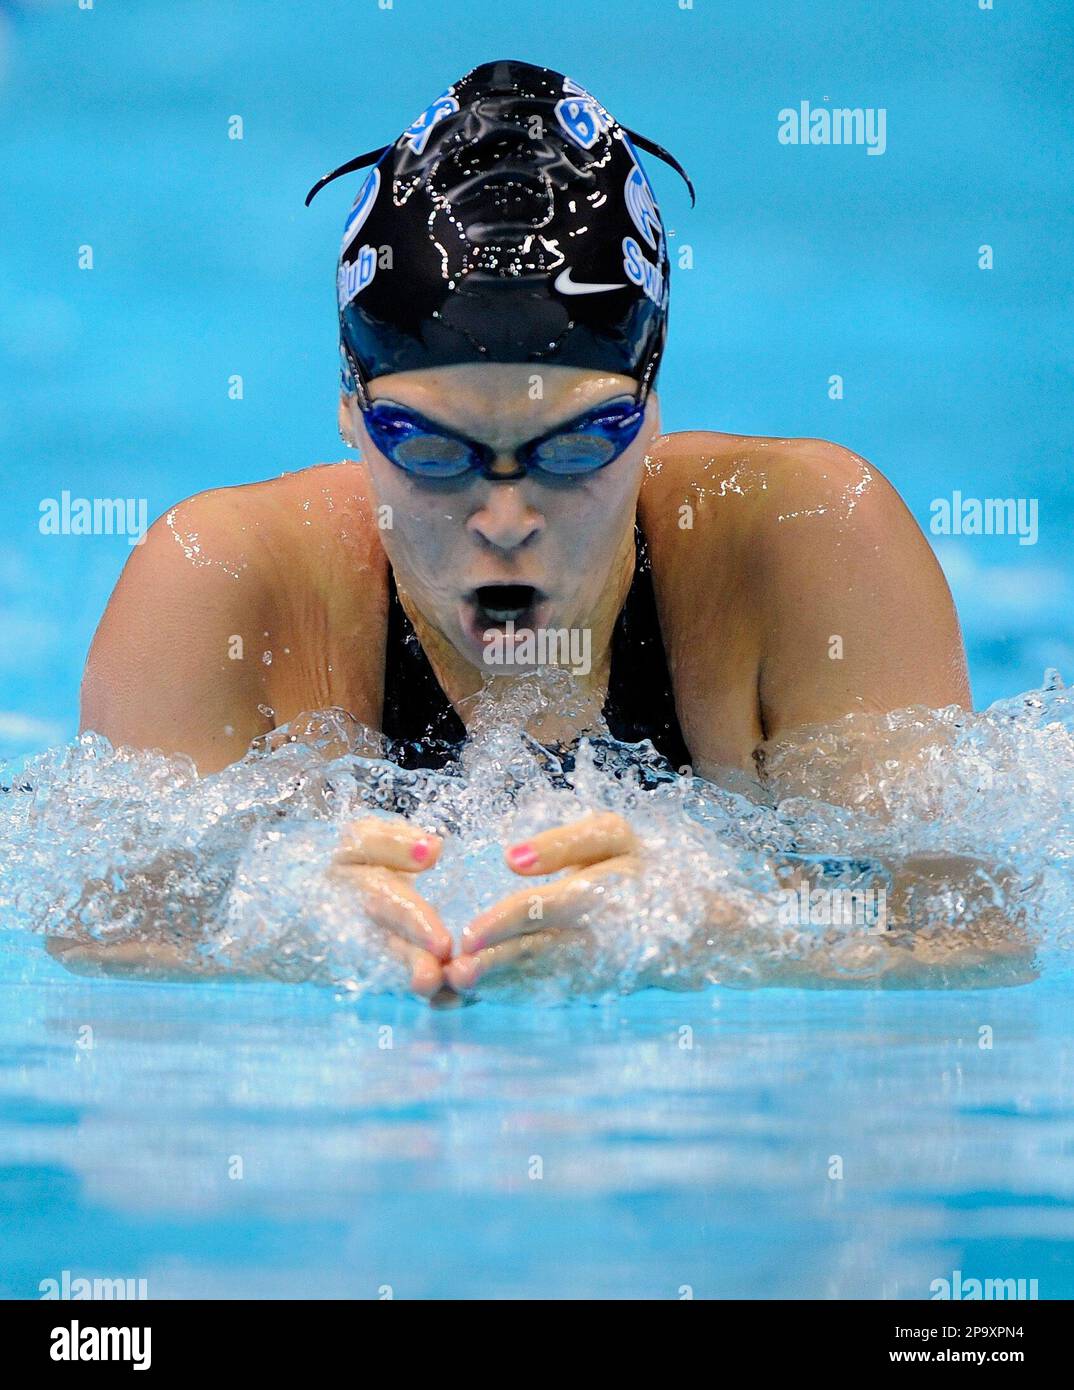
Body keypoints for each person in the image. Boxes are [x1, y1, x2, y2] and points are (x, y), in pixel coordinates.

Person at [73, 60, 977, 998]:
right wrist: (271, 938)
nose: (505, 520)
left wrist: (733, 933)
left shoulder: (809, 540)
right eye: (430, 452)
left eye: (577, 447)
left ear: (650, 407)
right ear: (351, 416)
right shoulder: (219, 583)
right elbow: (97, 961)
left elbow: (977, 940)